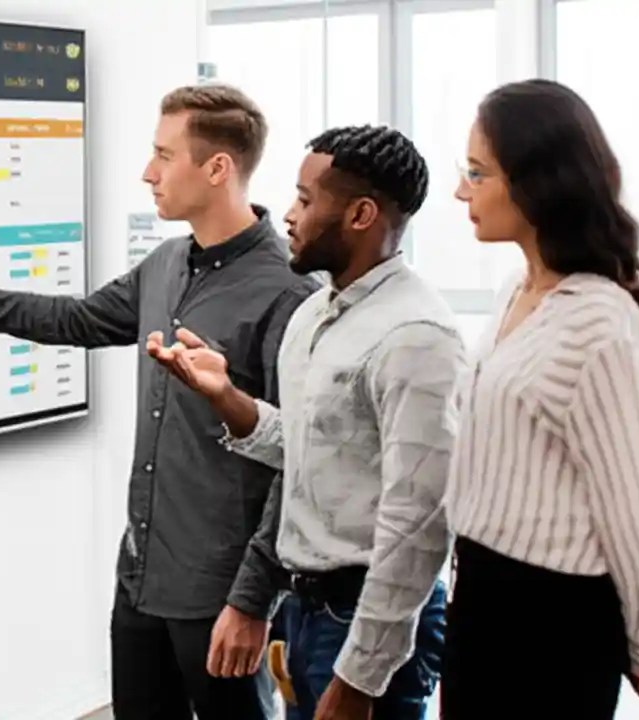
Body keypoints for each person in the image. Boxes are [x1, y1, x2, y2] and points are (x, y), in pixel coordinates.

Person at [0, 84, 319, 719]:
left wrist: (250, 602)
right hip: (141, 576)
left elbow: (296, 462)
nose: (147, 172)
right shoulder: (164, 264)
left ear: (217, 169)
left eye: (164, 155)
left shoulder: (290, 290)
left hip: (220, 595)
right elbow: (72, 319)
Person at [148, 124, 465, 720]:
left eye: (305, 198)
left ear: (361, 214)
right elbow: (304, 448)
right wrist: (225, 396)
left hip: (364, 618)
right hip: (304, 611)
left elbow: (419, 526)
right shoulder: (316, 314)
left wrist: (362, 675)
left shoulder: (417, 336)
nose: (288, 214)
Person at [444, 78, 639, 718]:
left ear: (537, 182)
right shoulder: (514, 295)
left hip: (552, 621)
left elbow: (631, 504)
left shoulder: (598, 324)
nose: (461, 191)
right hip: (481, 597)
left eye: (477, 173)